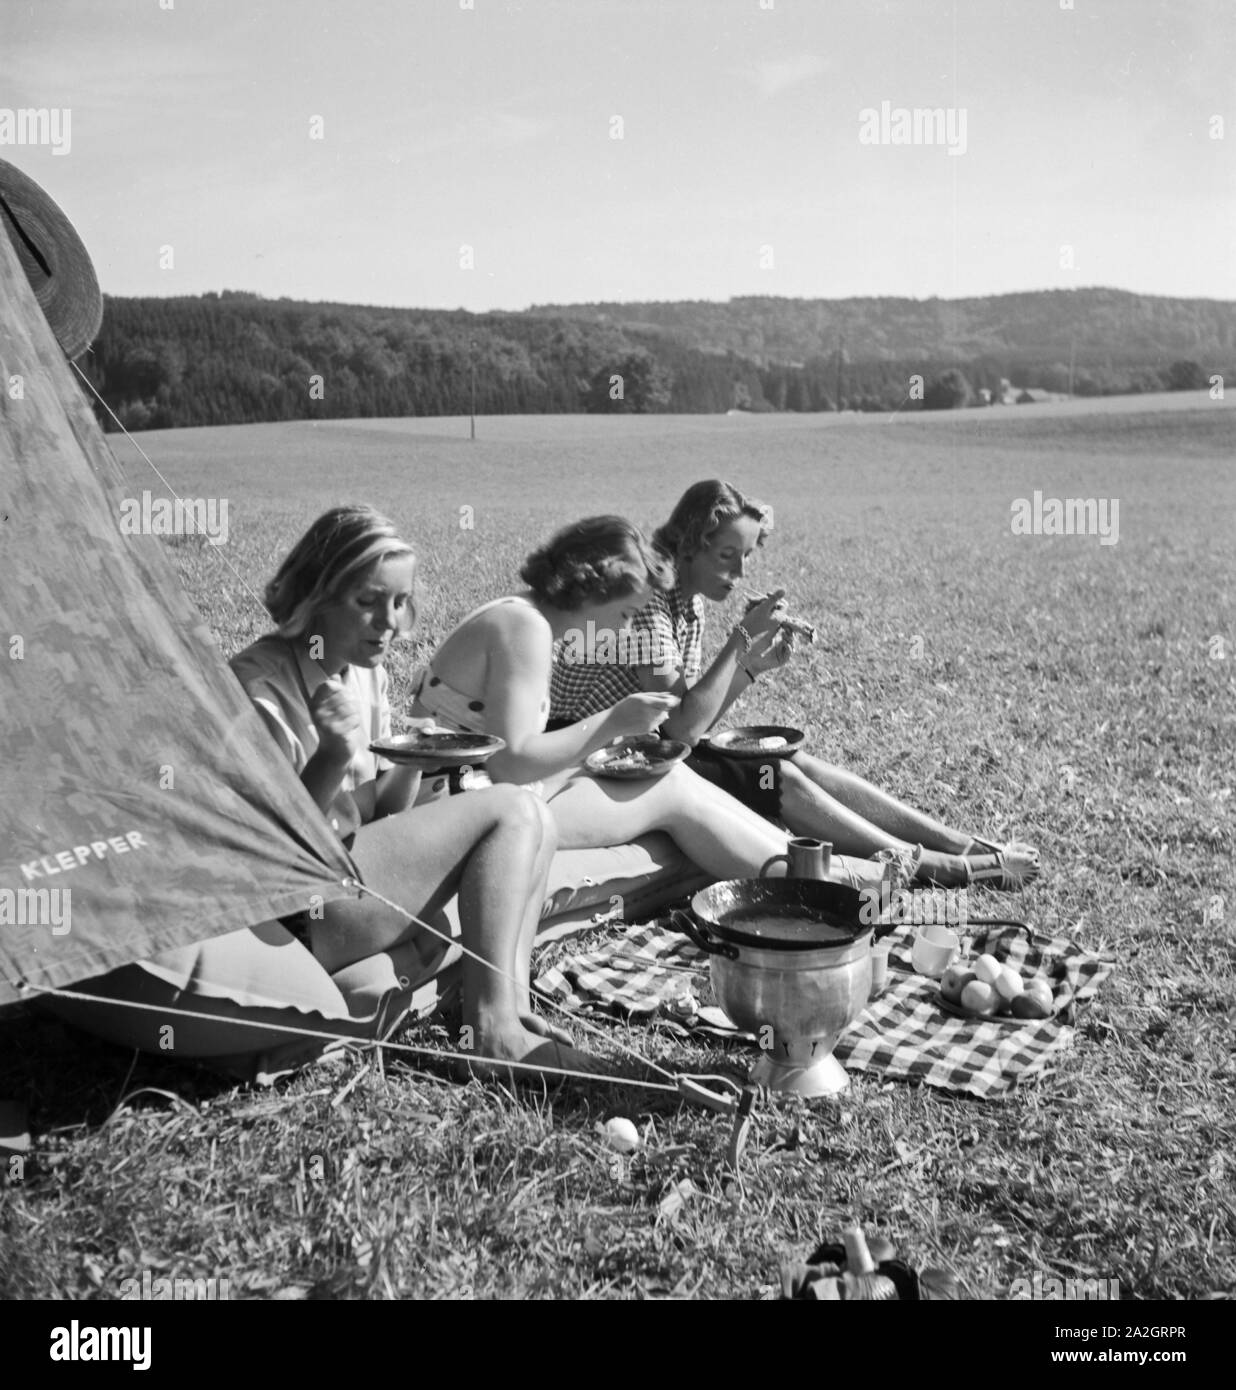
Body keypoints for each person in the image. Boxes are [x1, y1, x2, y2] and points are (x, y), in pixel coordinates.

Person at [229, 505, 606, 1081]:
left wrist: (408, 759)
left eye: (399, 602)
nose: (389, 622)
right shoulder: (259, 689)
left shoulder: (361, 672)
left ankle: (515, 1012)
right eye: (367, 600)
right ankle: (492, 1036)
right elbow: (272, 852)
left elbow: (383, 815)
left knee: (539, 819)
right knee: (511, 810)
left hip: (348, 877)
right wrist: (332, 755)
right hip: (294, 910)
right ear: (315, 595)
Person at [549, 481, 1040, 891]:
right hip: (595, 749)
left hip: (648, 747)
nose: (739, 574)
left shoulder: (690, 603)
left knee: (789, 759)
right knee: (776, 777)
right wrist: (740, 642)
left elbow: (689, 724)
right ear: (689, 544)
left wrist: (749, 667)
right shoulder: (651, 604)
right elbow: (681, 726)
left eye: (744, 557)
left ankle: (959, 844)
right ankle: (937, 868)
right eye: (726, 556)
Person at [411, 515, 886, 889]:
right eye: (624, 613)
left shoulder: (523, 617)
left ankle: (815, 868)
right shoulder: (526, 629)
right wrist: (611, 722)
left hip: (474, 796)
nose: (621, 629)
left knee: (669, 774)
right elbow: (511, 765)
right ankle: (813, 885)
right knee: (669, 792)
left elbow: (507, 755)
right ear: (592, 588)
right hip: (459, 811)